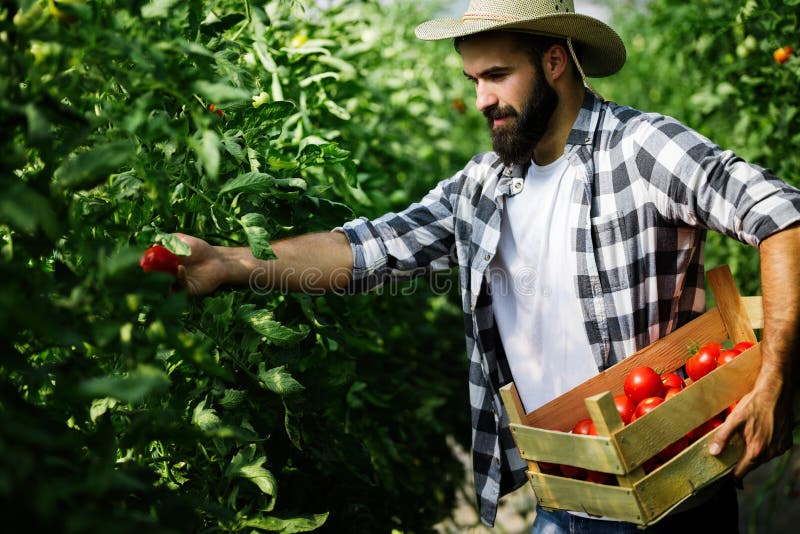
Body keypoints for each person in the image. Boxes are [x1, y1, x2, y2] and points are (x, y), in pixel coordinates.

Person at [175, 0, 800, 531]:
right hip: (563, 496)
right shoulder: (483, 187)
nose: (481, 99)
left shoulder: (640, 150)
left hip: (674, 492)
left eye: (497, 75)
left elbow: (783, 217)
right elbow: (367, 250)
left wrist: (773, 382)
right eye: (473, 79)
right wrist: (228, 263)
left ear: (554, 62)